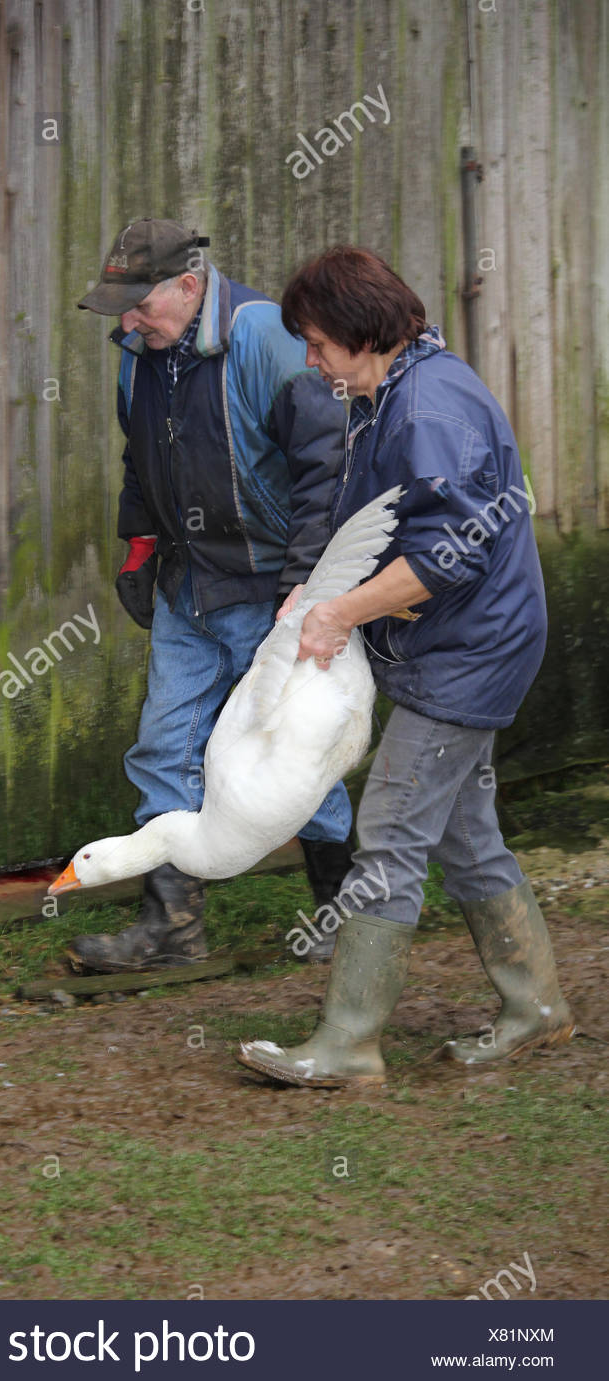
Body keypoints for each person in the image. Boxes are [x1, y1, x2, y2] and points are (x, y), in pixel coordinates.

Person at [239, 245, 573, 1087]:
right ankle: (537, 1010)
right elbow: (381, 524)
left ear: (359, 331)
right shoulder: (395, 387)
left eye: (316, 345)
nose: (311, 364)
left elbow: (448, 555)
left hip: (467, 654)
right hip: (455, 644)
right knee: (464, 834)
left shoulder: (425, 407)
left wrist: (339, 616)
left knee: (388, 835)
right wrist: (315, 596)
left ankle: (349, 1043)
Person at [67, 218, 350, 972]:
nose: (128, 321)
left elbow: (328, 467)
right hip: (190, 585)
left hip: (272, 590)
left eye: (139, 304)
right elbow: (141, 463)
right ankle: (172, 930)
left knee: (294, 763)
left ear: (189, 286)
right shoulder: (140, 355)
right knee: (165, 745)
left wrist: (305, 588)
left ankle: (345, 914)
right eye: (120, 307)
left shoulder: (265, 339)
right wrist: (140, 544)